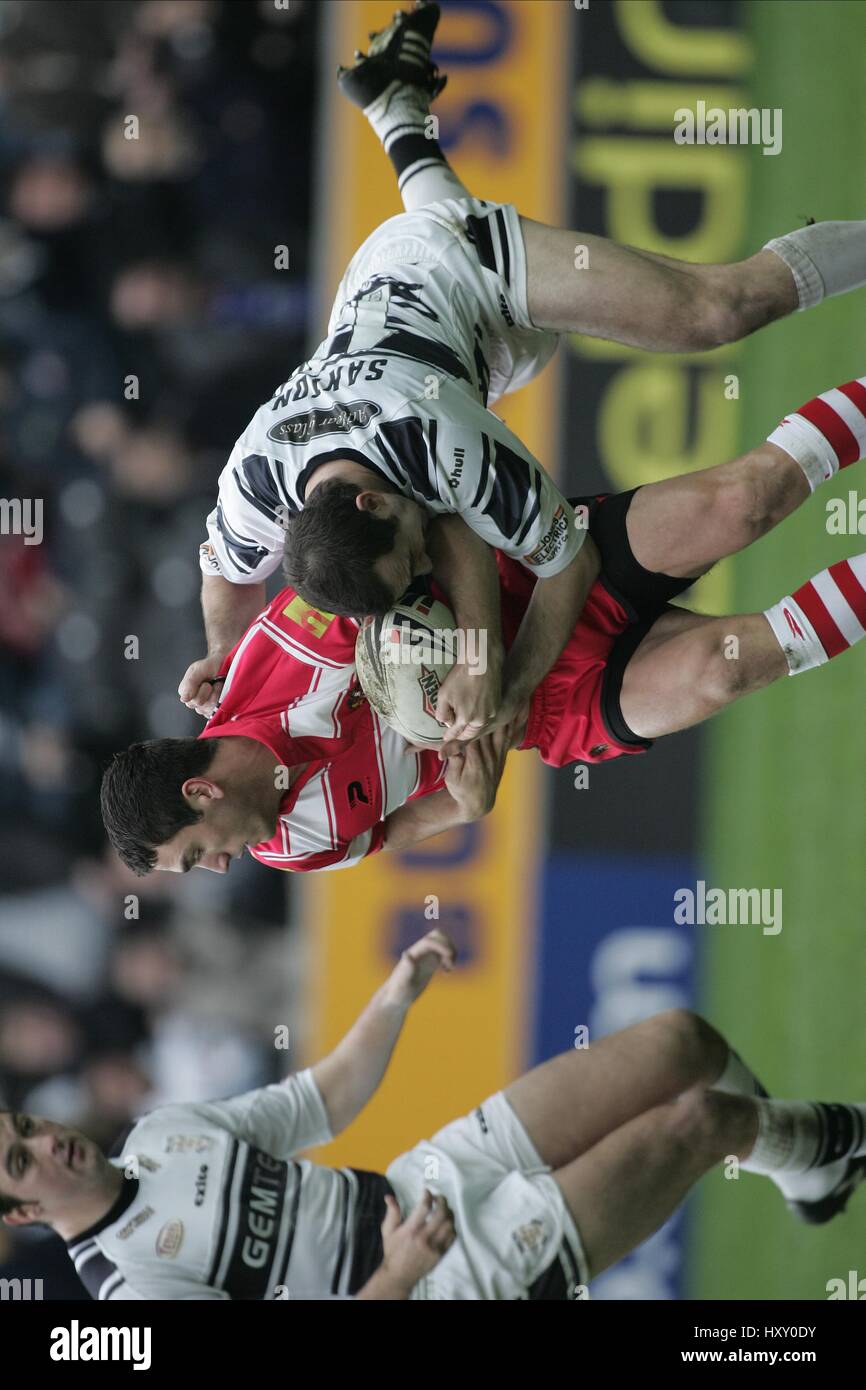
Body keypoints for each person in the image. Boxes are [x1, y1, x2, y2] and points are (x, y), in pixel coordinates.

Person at [179, 1, 866, 747]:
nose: (424, 568)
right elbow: (227, 571)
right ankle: (395, 109)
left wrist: (508, 678)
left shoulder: (442, 443)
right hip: (390, 294)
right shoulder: (255, 479)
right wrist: (223, 649)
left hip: (468, 274)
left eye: (410, 555)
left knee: (717, 310)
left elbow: (568, 562)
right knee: (432, 229)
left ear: (375, 502)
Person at [102, 367, 866, 876]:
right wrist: (466, 805)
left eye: (198, 855)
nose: (223, 866)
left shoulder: (281, 644)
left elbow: (442, 530)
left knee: (746, 499)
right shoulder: (293, 850)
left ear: (201, 795)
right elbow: (390, 833)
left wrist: (478, 655)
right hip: (548, 711)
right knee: (723, 667)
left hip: (536, 587)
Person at [2, 929, 864, 1300]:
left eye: (25, 1125)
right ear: (27, 1214)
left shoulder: (156, 1134)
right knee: (698, 1124)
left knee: (680, 1043)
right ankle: (842, 1143)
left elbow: (321, 1099)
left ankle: (814, 1167)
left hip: (426, 1183)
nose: (46, 1139)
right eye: (19, 1161)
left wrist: (396, 995)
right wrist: (403, 1274)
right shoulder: (130, 1288)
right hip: (433, 1283)